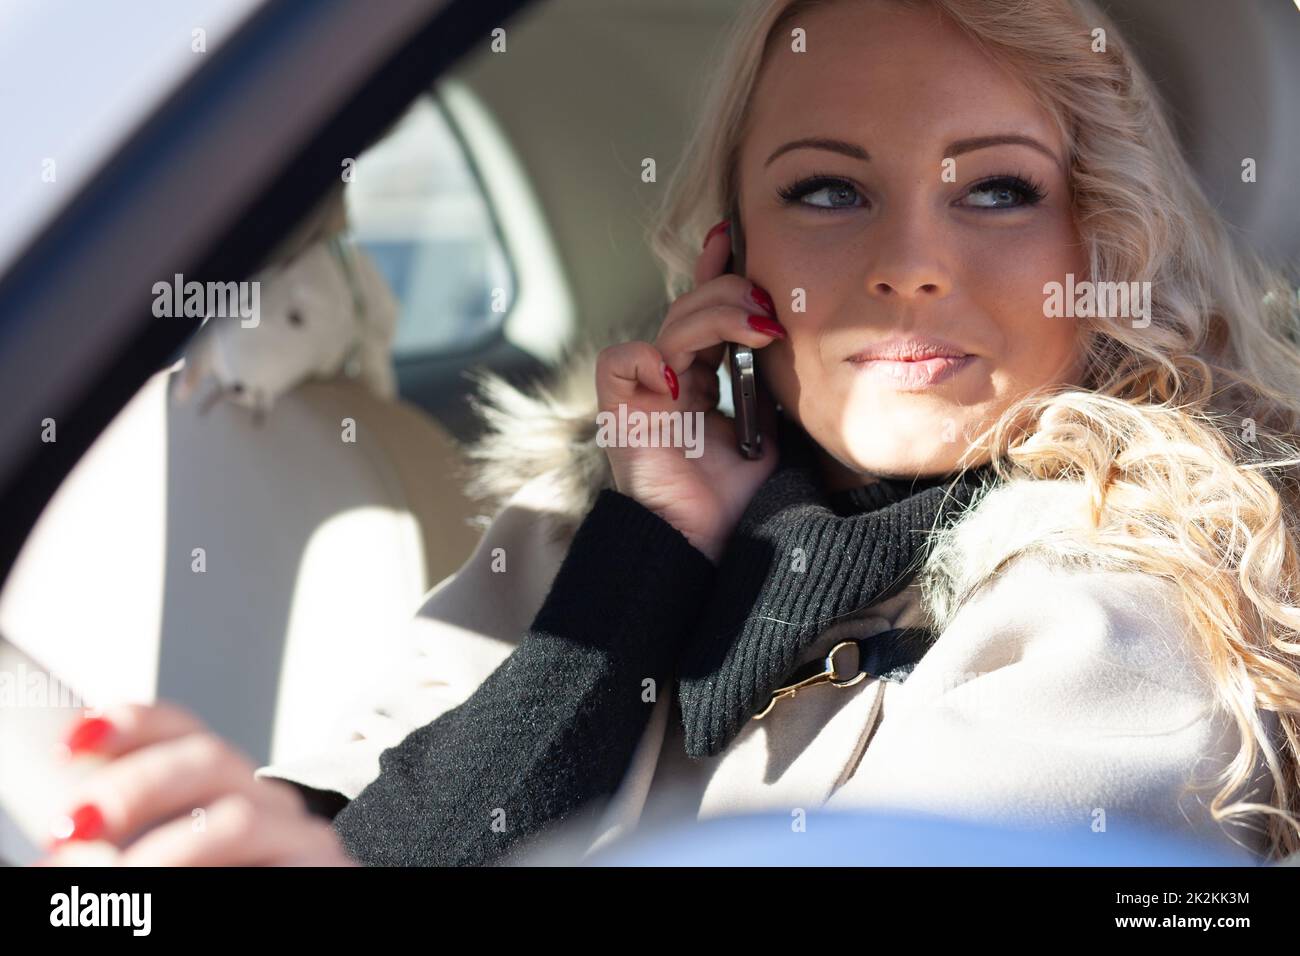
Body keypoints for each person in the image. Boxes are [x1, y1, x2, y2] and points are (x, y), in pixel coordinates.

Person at [41, 0, 1300, 866]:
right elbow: (375, 832)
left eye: (997, 189)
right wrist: (651, 542)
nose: (910, 264)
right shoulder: (603, 525)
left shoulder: (1140, 606)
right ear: (732, 252)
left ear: (1104, 244)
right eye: (826, 189)